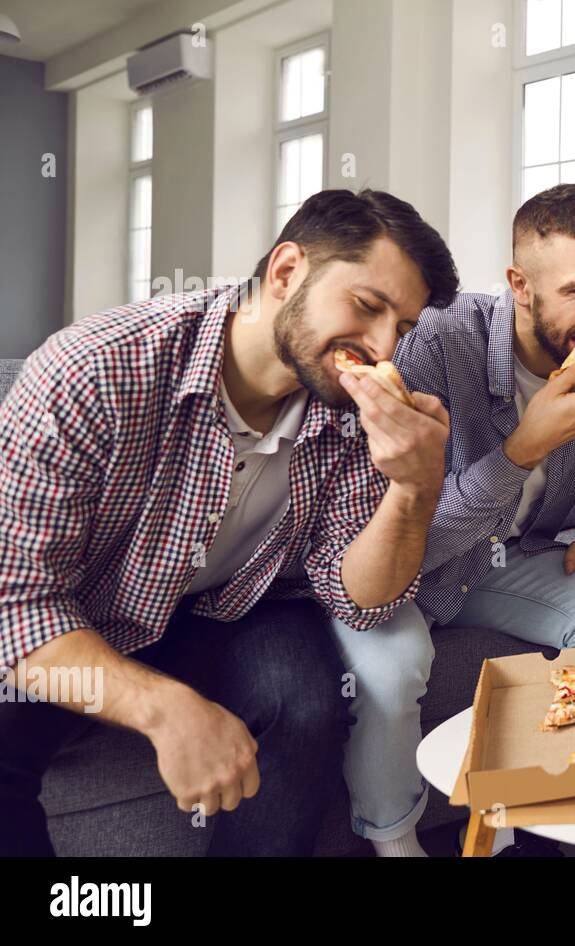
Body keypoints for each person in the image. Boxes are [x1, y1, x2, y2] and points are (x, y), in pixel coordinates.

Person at [0, 188, 457, 856]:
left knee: (304, 699)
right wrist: (164, 708)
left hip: (225, 611)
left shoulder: (357, 408)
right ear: (285, 272)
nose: (384, 346)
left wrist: (415, 489)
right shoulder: (97, 370)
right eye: (367, 306)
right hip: (83, 618)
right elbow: (15, 600)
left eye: (403, 327)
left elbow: (361, 601)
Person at [326, 184, 575, 855]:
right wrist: (523, 447)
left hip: (504, 559)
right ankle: (395, 841)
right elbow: (399, 533)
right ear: (520, 286)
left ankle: (537, 813)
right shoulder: (433, 346)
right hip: (407, 567)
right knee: (395, 664)